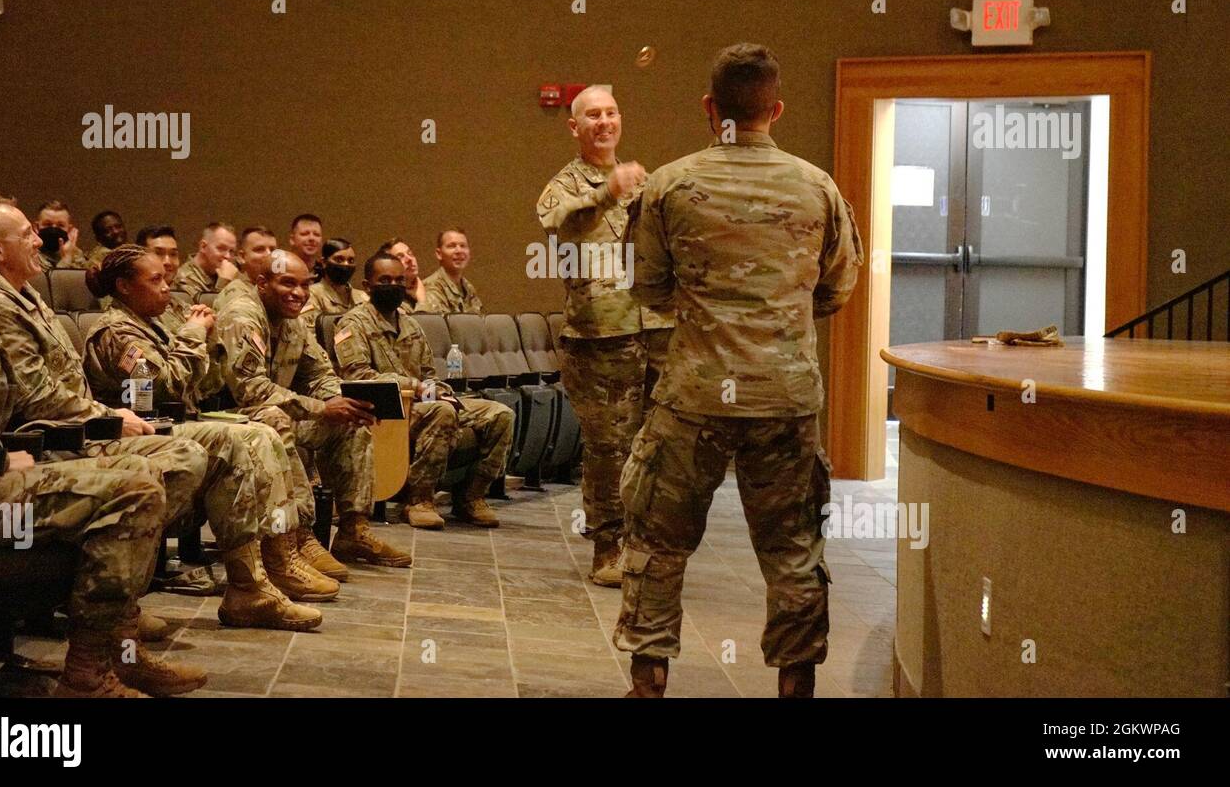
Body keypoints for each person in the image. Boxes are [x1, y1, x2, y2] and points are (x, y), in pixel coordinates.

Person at [615, 43, 862, 698]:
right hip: (785, 397)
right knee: (793, 549)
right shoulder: (817, 186)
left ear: (709, 106)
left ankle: (649, 680)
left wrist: (709, 307)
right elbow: (837, 289)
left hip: (693, 394)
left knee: (657, 543)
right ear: (775, 109)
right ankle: (795, 684)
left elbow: (646, 287)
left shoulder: (668, 184)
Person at [0, 203, 217, 695]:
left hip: (56, 437)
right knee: (143, 484)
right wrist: (105, 416)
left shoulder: (25, 296)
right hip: (43, 441)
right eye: (28, 233)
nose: (39, 240)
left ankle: (119, 635)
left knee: (181, 459)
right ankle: (94, 663)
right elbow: (30, 399)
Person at [82, 245, 336, 623]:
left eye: (167, 279)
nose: (167, 287)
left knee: (261, 432)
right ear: (123, 286)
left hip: (171, 422)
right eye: (155, 280)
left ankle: (266, 566)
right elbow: (160, 387)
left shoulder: (154, 323)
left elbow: (201, 387)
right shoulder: (116, 331)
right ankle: (255, 578)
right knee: (248, 437)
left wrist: (213, 346)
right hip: (134, 431)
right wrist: (191, 333)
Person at [535, 85, 674, 587]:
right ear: (575, 126)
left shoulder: (647, 180)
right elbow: (555, 222)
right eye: (592, 115)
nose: (604, 122)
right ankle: (606, 545)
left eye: (612, 112)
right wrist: (605, 193)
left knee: (655, 443)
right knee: (608, 445)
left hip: (657, 328)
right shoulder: (565, 184)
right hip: (601, 334)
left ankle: (645, 542)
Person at [217, 250, 412, 570]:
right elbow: (250, 391)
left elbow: (321, 374)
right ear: (262, 283)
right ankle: (299, 536)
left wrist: (344, 402)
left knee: (350, 418)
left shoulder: (293, 321)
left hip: (271, 414)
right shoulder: (242, 315)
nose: (298, 293)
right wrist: (321, 408)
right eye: (288, 283)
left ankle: (353, 529)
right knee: (275, 420)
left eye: (305, 285)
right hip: (229, 418)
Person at [334, 251, 513, 529]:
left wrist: (437, 391)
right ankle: (418, 499)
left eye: (398, 280)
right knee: (440, 411)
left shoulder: (411, 325)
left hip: (420, 403)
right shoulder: (352, 324)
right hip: (383, 410)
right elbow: (358, 375)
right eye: (384, 280)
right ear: (367, 286)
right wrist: (417, 389)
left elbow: (429, 374)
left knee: (500, 414)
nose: (393, 286)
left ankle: (471, 497)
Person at [301, 236, 367, 337]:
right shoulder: (311, 295)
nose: (346, 265)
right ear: (324, 262)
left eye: (351, 261)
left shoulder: (363, 297)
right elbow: (310, 335)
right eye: (339, 260)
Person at [213, 225, 277, 315]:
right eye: (259, 250)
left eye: (273, 250)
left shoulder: (279, 288)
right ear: (242, 257)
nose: (269, 254)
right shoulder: (235, 290)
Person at [421, 228, 484, 313]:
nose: (459, 251)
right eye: (452, 246)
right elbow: (437, 324)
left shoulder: (468, 288)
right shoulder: (432, 287)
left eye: (463, 246)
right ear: (439, 254)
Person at [175, 222, 239, 302]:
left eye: (232, 251)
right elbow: (212, 311)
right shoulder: (183, 279)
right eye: (221, 248)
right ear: (203, 246)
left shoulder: (227, 272)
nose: (228, 256)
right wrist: (224, 283)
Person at [33, 199, 88, 271]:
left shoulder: (77, 255)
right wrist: (66, 259)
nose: (54, 229)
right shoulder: (30, 255)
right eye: (48, 224)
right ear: (36, 227)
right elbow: (49, 281)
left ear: (69, 229)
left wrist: (68, 255)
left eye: (60, 225)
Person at [381, 237, 427, 311]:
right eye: (400, 257)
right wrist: (422, 301)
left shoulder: (428, 290)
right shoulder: (392, 301)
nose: (409, 259)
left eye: (410, 254)